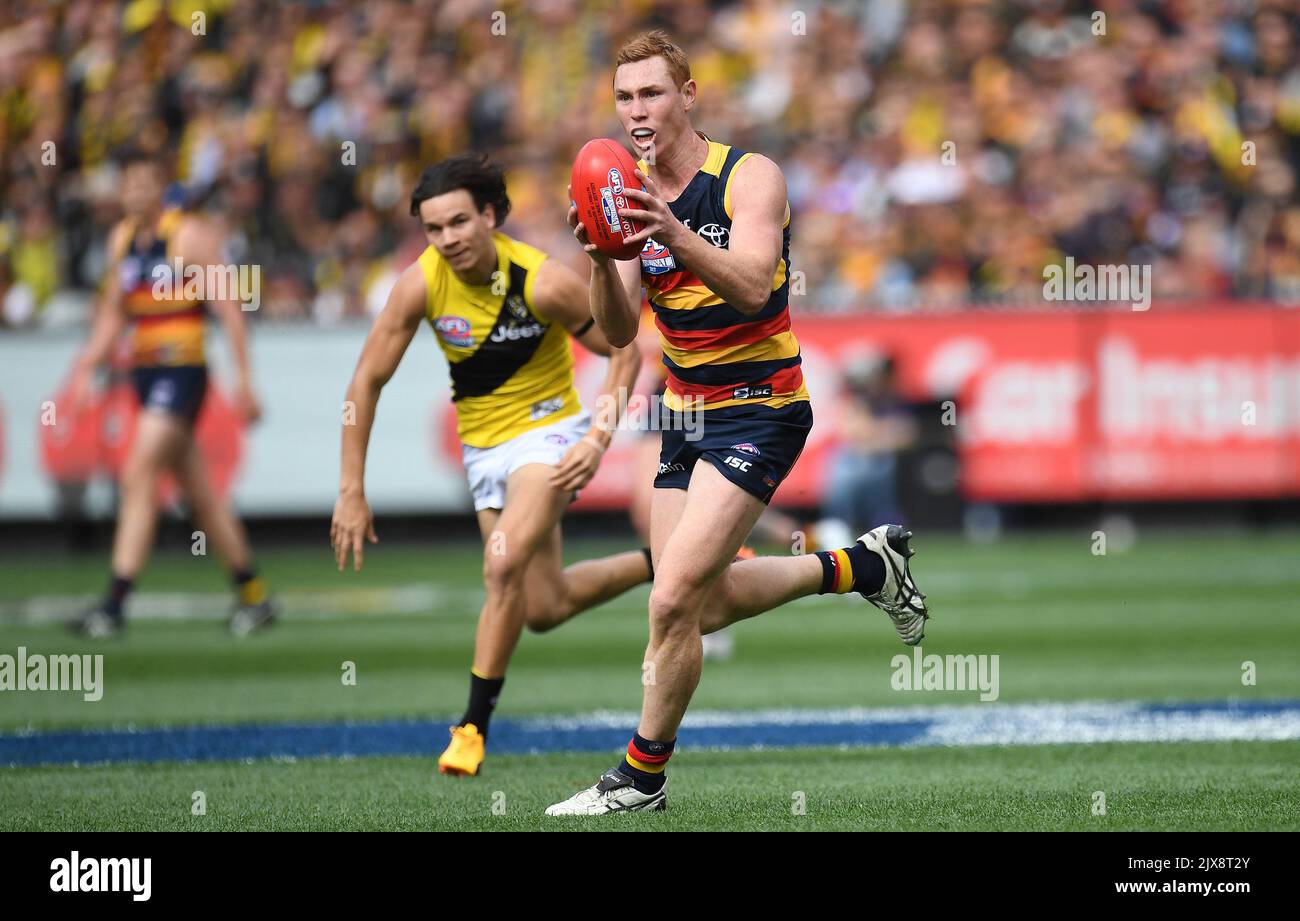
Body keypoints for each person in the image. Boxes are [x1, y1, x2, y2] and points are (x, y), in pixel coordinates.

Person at [546, 32, 930, 816]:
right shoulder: (629, 189)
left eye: (652, 93)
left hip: (761, 404)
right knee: (701, 600)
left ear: (688, 95)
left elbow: (755, 286)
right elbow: (619, 331)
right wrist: (598, 254)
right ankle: (860, 567)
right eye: (624, 98)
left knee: (669, 599)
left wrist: (670, 232)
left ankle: (639, 779)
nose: (637, 110)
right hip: (684, 410)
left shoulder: (749, 177)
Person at [331, 154, 647, 778]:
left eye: (457, 223)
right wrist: (350, 490)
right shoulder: (421, 284)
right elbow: (364, 383)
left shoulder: (542, 279)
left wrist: (596, 440)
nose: (447, 239)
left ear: (490, 216)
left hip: (550, 438)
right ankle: (664, 560)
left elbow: (625, 351)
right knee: (542, 606)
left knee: (500, 564)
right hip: (485, 452)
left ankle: (471, 728)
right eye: (433, 228)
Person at [66, 150, 275, 639]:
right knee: (200, 493)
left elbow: (228, 310)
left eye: (144, 183)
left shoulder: (189, 237)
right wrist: (84, 371)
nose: (135, 193)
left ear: (161, 187)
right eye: (128, 184)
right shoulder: (121, 240)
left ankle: (114, 605)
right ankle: (254, 594)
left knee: (139, 470)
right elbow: (113, 314)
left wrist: (245, 381)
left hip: (181, 372)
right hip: (144, 374)